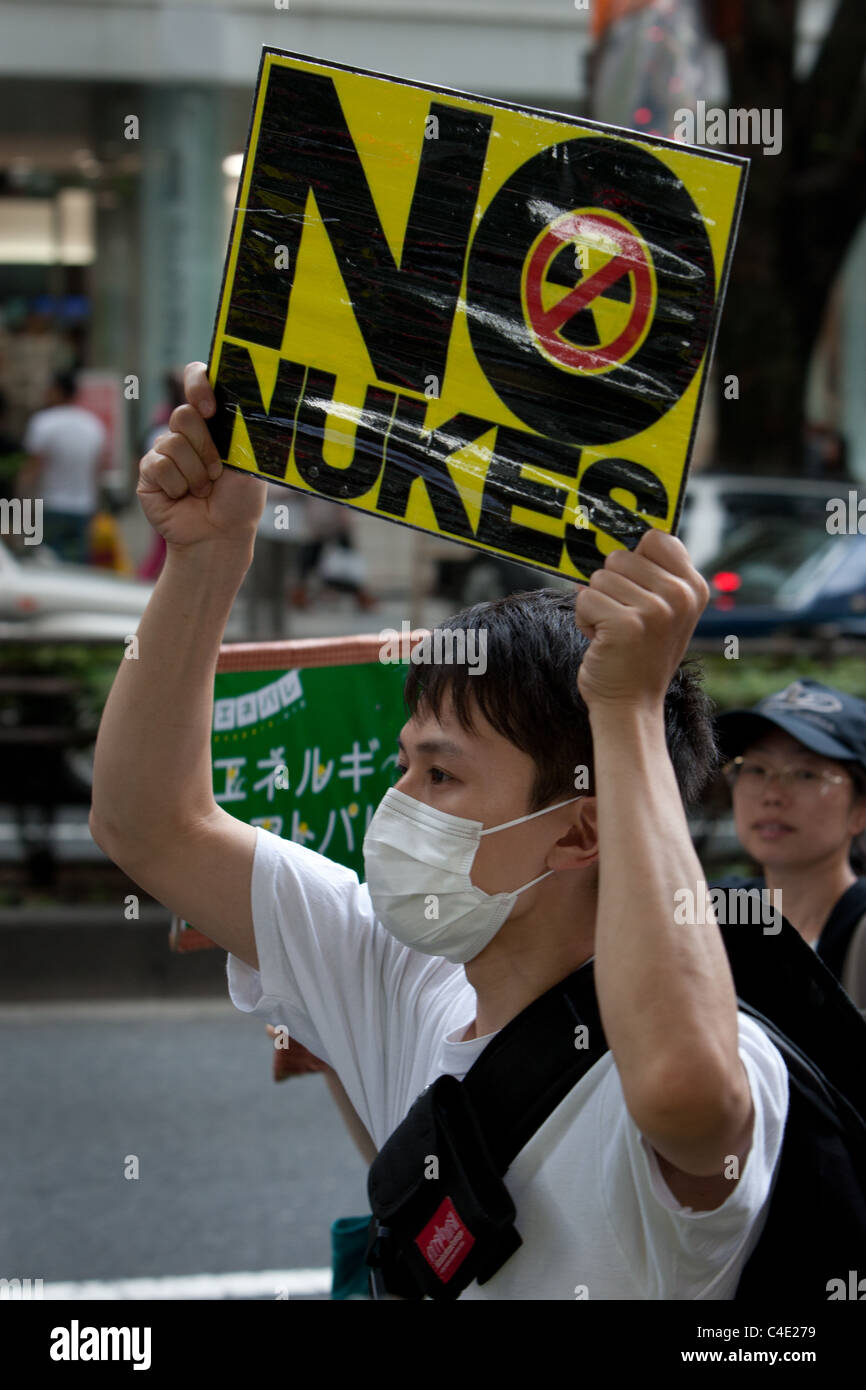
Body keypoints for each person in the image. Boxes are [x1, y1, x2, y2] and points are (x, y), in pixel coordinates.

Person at [89, 362, 789, 1301]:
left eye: (443, 774)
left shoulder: (730, 1059)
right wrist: (208, 557)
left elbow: (681, 1096)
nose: (400, 802)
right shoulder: (401, 971)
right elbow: (148, 825)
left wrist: (625, 709)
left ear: (580, 833)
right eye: (407, 765)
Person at [715, 680, 866, 1010]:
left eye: (806, 774)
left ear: (860, 810)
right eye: (755, 769)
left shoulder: (858, 931)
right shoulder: (716, 913)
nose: (772, 795)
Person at [19, 370, 107, 564]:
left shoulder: (43, 423)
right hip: (83, 508)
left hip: (52, 506)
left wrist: (22, 510)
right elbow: (98, 471)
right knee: (77, 568)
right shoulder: (93, 425)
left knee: (48, 564)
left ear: (58, 391)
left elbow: (32, 469)